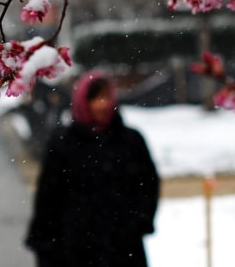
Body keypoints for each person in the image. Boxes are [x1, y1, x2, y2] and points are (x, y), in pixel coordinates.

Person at [25, 70, 160, 267]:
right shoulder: (64, 143)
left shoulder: (130, 141)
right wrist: (45, 243)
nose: (102, 104)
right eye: (95, 97)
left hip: (123, 248)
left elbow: (148, 185)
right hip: (73, 248)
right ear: (82, 101)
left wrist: (137, 222)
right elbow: (48, 197)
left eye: (106, 96)